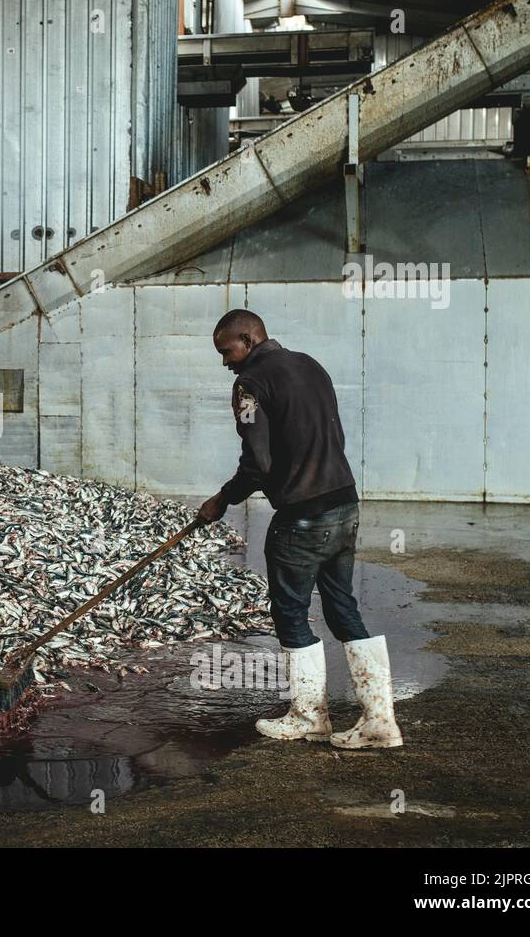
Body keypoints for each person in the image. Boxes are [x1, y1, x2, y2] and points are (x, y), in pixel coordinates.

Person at [197, 310, 402, 749]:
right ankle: (379, 720)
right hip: (344, 503)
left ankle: (308, 716)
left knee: (290, 612)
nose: (225, 362)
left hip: (303, 516)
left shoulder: (249, 384)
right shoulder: (310, 364)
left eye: (226, 350)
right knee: (342, 606)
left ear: (249, 339)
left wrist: (223, 498)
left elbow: (258, 462)